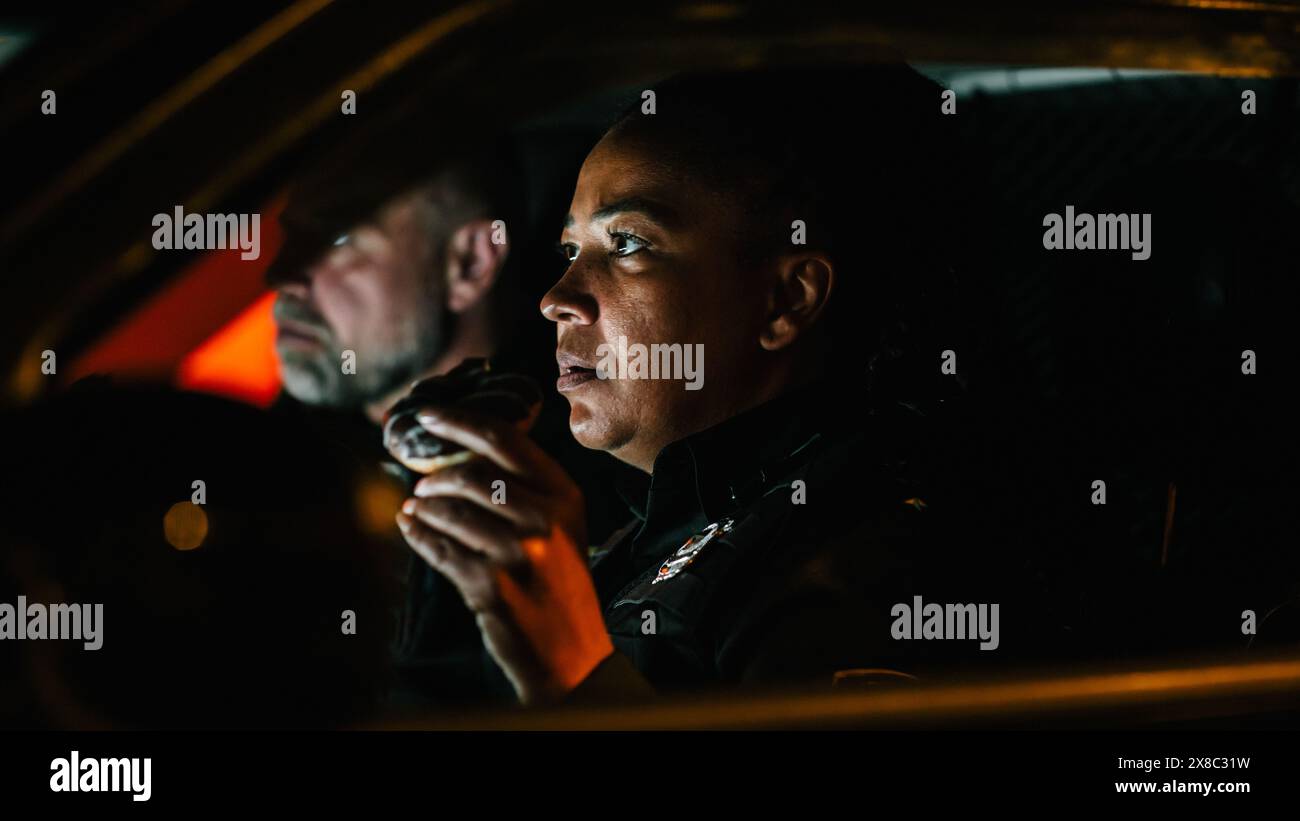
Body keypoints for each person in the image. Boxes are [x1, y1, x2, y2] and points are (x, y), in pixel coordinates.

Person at [391, 65, 1014, 704]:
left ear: (785, 299)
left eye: (627, 242)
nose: (558, 299)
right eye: (570, 252)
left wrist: (574, 668)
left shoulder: (881, 573)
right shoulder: (660, 529)